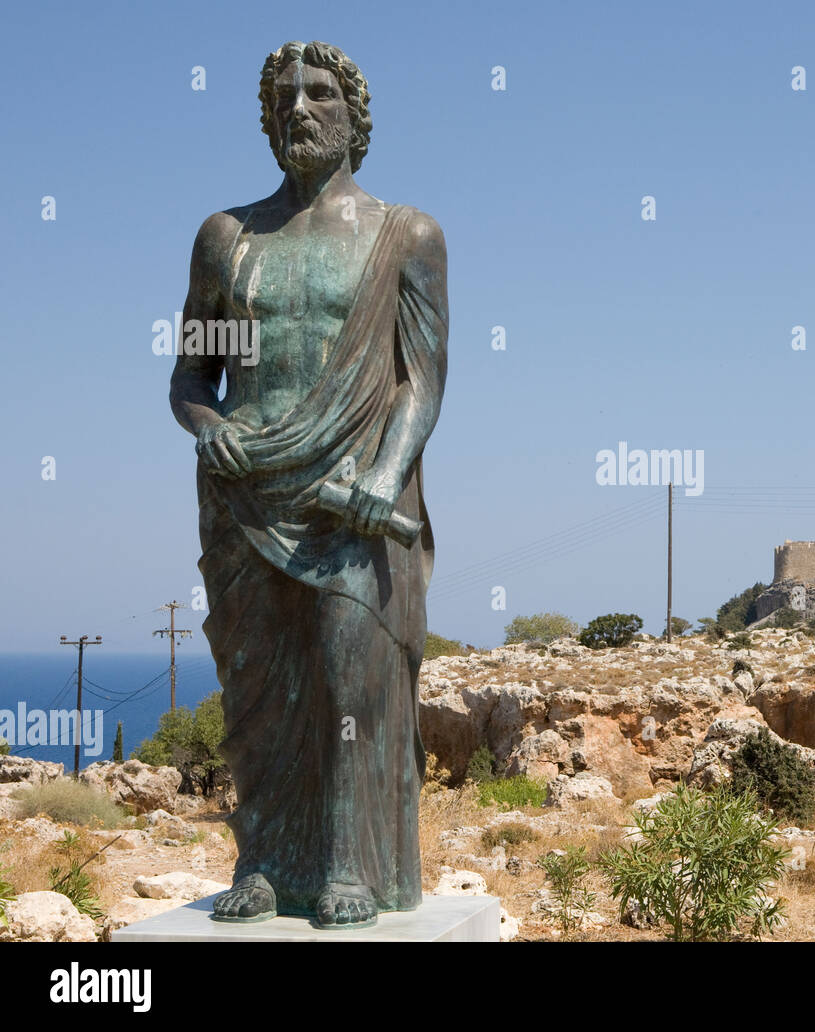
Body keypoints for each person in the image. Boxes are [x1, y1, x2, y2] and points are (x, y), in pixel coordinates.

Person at [169, 40, 448, 928]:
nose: (299, 109)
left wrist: (384, 475)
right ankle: (262, 862)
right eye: (283, 98)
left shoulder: (405, 236)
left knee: (345, 686)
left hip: (352, 503)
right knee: (257, 691)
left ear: (354, 116)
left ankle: (347, 868)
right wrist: (211, 431)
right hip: (247, 500)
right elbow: (192, 381)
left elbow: (422, 381)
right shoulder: (228, 239)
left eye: (319, 94)